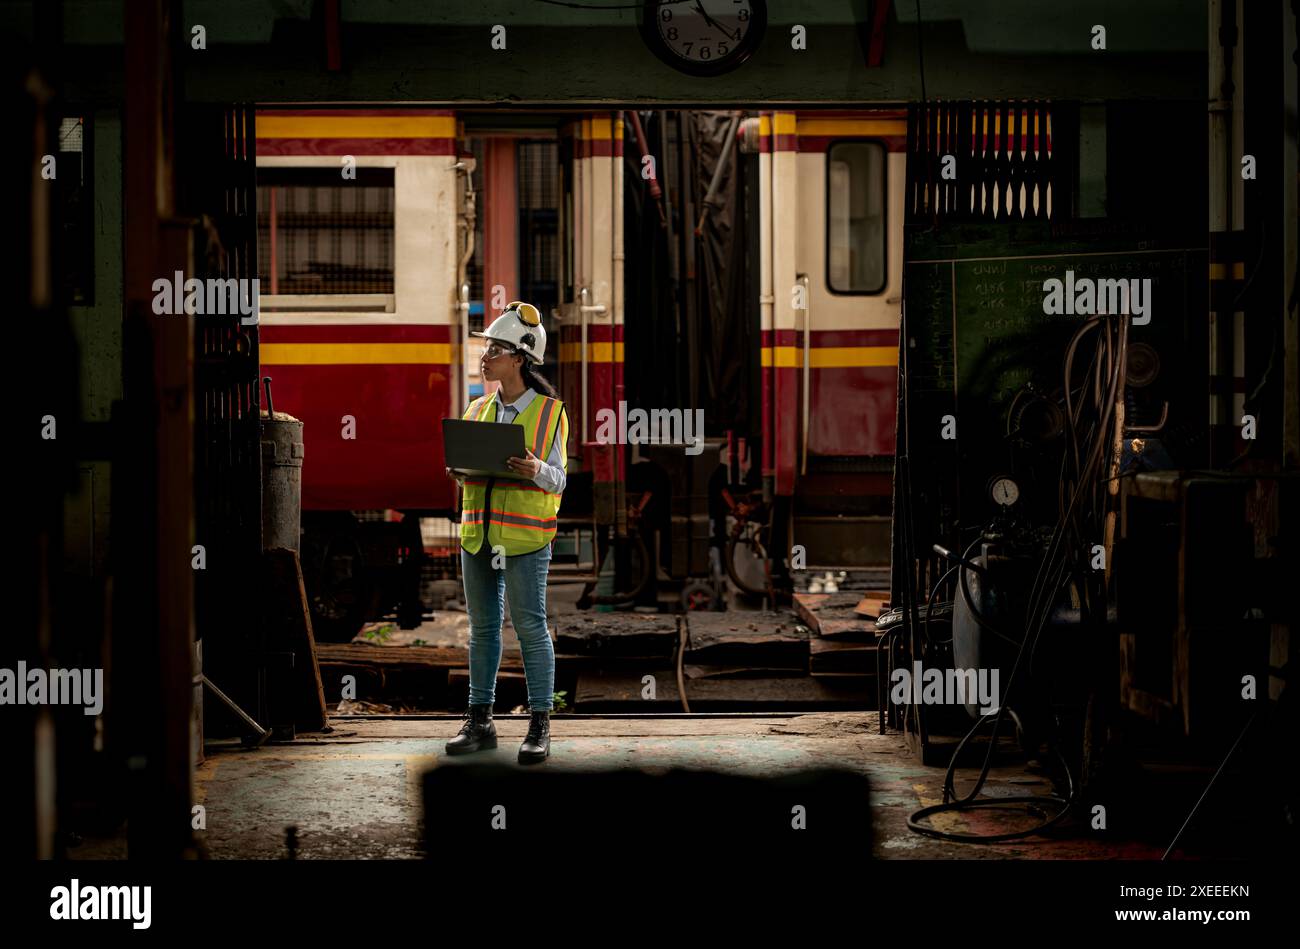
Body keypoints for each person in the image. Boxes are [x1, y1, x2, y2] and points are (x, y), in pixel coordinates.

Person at [444, 301, 568, 763]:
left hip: (524, 537)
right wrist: (459, 470)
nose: (485, 357)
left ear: (519, 358)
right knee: (483, 629)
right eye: (486, 349)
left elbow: (559, 480)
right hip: (478, 534)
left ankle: (539, 725)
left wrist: (535, 468)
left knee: (531, 627)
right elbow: (472, 470)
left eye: (495, 350)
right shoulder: (477, 409)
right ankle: (480, 721)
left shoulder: (551, 414)